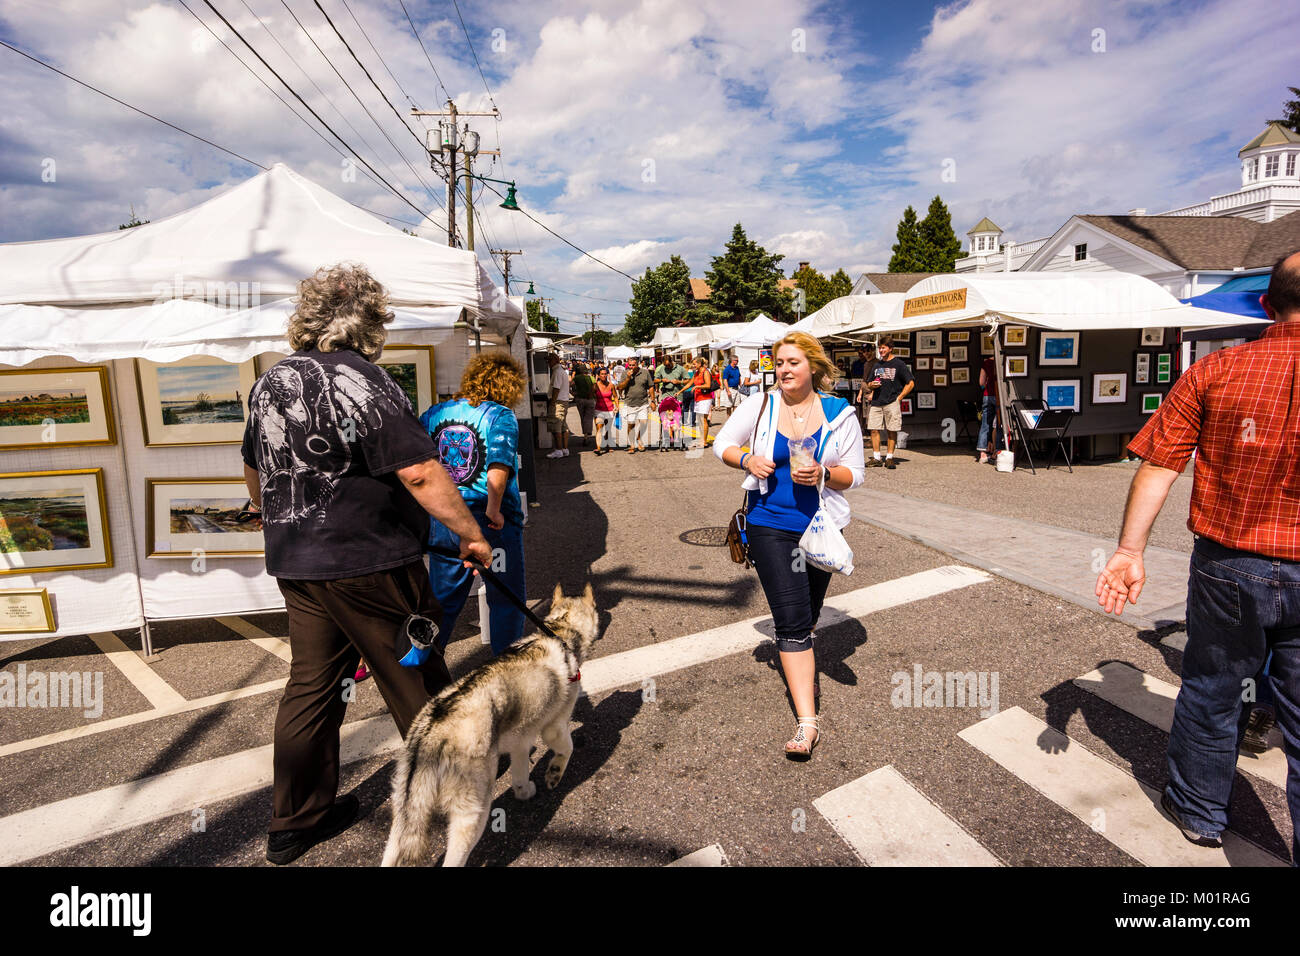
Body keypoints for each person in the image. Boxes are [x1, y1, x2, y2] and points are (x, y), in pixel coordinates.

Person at [241, 263, 492, 865]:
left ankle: (296, 821)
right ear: (368, 322)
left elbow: (253, 465)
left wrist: (267, 510)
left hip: (298, 560)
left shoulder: (270, 381)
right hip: (369, 559)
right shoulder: (364, 379)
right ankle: (461, 812)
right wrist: (471, 534)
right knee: (417, 679)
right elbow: (420, 470)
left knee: (311, 685)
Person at [1095, 250, 1300, 857]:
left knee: (1213, 690)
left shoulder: (1216, 370)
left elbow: (1160, 464)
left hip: (1229, 563)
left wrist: (1130, 550)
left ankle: (1199, 812)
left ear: (1266, 304)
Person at [714, 332, 865, 758]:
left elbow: (856, 474)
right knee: (793, 620)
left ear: (813, 367)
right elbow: (721, 444)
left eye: (793, 362)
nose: (784, 370)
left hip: (820, 526)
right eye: (779, 362)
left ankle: (802, 657)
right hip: (768, 524)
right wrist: (746, 459)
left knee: (810, 612)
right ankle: (807, 722)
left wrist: (823, 474)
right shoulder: (760, 405)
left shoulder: (839, 414)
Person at [420, 352, 529, 656]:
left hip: (445, 518)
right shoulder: (500, 415)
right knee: (505, 598)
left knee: (442, 599)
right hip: (489, 519)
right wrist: (494, 509)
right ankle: (506, 668)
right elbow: (498, 467)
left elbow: (419, 464)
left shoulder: (434, 413)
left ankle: (425, 666)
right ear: (508, 386)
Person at [859, 337, 914, 470]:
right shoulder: (877, 365)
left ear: (890, 348)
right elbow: (868, 383)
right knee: (873, 429)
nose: (881, 350)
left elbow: (910, 383)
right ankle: (877, 457)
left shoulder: (899, 364)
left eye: (883, 347)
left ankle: (889, 458)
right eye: (880, 348)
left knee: (891, 430)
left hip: (891, 402)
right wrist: (871, 385)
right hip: (876, 402)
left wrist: (899, 398)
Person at [616, 355, 654, 453]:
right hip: (630, 403)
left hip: (643, 403)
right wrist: (628, 378)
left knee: (644, 423)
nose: (631, 367)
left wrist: (653, 401)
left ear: (638, 364)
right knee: (631, 425)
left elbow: (650, 387)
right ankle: (632, 445)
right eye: (630, 365)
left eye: (633, 365)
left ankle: (639, 438)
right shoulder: (625, 373)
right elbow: (619, 387)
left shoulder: (645, 373)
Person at [687, 356, 718, 448]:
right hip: (698, 398)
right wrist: (680, 390)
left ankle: (704, 442)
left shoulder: (706, 372)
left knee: (703, 419)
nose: (693, 365)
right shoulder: (697, 373)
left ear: (699, 364)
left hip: (705, 398)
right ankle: (701, 440)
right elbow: (690, 383)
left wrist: (697, 387)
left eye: (694, 364)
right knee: (700, 420)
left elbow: (708, 385)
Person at [546, 351, 571, 458]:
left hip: (558, 402)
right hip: (564, 401)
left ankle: (559, 450)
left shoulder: (557, 372)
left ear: (555, 360)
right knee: (563, 427)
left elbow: (556, 389)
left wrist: (552, 403)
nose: (548, 362)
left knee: (556, 426)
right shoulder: (562, 371)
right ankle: (564, 449)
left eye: (549, 360)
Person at [976, 354, 1000, 464]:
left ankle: (983, 453)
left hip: (987, 395)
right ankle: (997, 451)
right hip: (999, 396)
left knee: (985, 423)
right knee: (999, 423)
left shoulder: (987, 363)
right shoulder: (1002, 360)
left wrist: (985, 386)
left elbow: (981, 382)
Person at [592, 365, 617, 455]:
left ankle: (608, 445)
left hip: (610, 409)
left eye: (605, 374)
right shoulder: (595, 386)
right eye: (602, 374)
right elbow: (591, 396)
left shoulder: (611, 385)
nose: (604, 376)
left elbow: (615, 396)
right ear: (598, 375)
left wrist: (617, 407)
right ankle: (598, 447)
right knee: (599, 427)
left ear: (607, 375)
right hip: (598, 410)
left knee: (607, 429)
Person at [572, 361, 597, 449]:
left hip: (580, 400)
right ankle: (587, 436)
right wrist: (591, 394)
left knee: (582, 417)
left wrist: (573, 394)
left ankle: (585, 435)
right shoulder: (591, 378)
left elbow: (570, 385)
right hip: (590, 400)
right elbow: (595, 387)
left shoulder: (577, 378)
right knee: (589, 418)